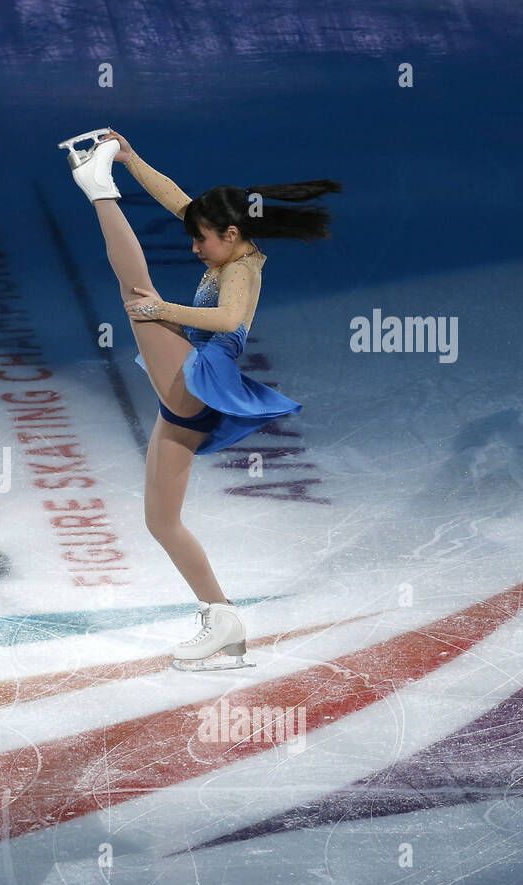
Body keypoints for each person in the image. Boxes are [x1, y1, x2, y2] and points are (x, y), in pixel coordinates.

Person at [58, 127, 341, 670]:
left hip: (205, 368)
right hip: (196, 381)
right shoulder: (227, 244)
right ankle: (223, 618)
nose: (194, 247)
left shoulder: (241, 266)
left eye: (201, 240)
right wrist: (133, 156)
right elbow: (175, 199)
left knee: (136, 295)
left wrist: (165, 312)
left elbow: (230, 320)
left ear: (231, 235)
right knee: (161, 521)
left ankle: (98, 190)